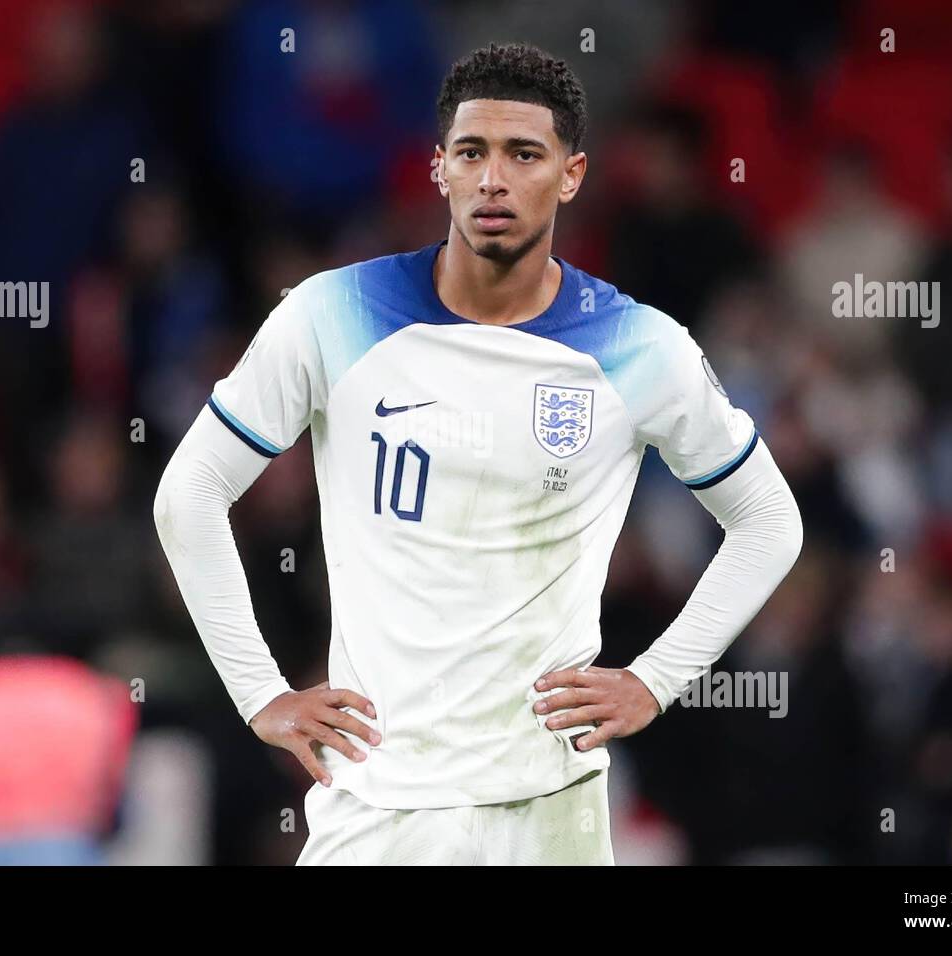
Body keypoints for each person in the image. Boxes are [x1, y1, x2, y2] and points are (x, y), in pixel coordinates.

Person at [154, 42, 803, 865]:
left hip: (550, 813)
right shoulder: (330, 313)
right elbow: (190, 493)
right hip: (378, 809)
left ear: (571, 175)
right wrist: (261, 695)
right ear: (439, 170)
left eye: (523, 154)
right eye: (472, 153)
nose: (493, 178)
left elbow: (769, 522)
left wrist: (657, 678)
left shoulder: (641, 347)